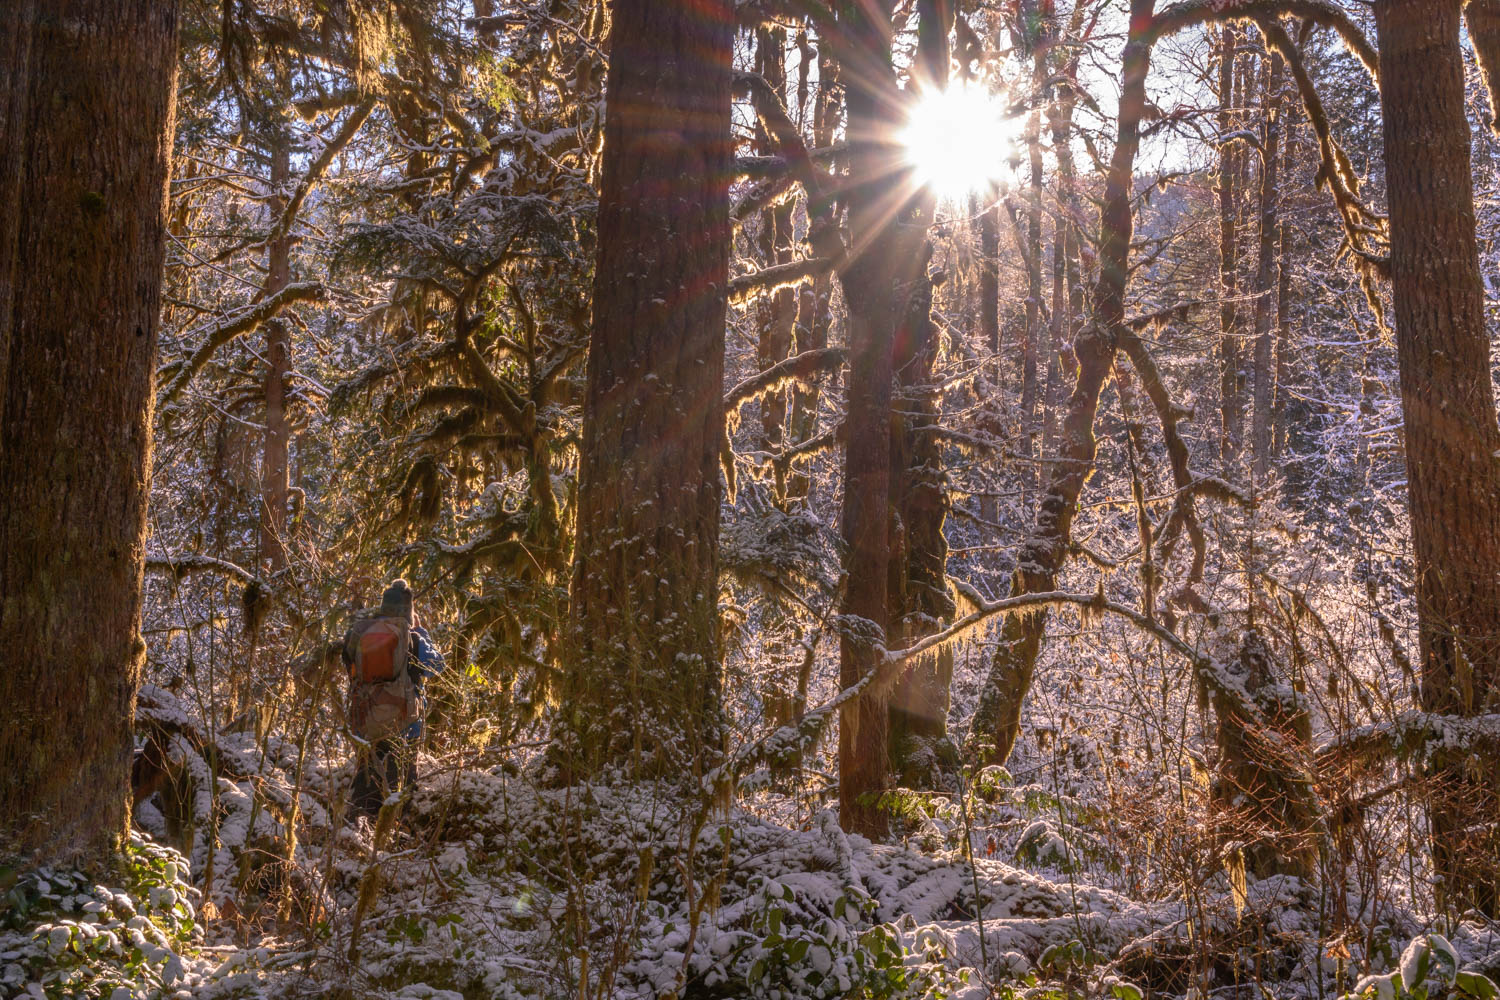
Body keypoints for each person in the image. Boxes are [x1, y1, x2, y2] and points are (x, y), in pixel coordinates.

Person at [342, 578, 445, 820]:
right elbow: (437, 665)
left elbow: (349, 666)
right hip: (403, 726)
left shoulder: (358, 633)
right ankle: (396, 839)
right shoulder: (413, 638)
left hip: (365, 722)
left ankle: (356, 836)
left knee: (366, 782)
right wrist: (420, 632)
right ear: (409, 610)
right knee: (401, 788)